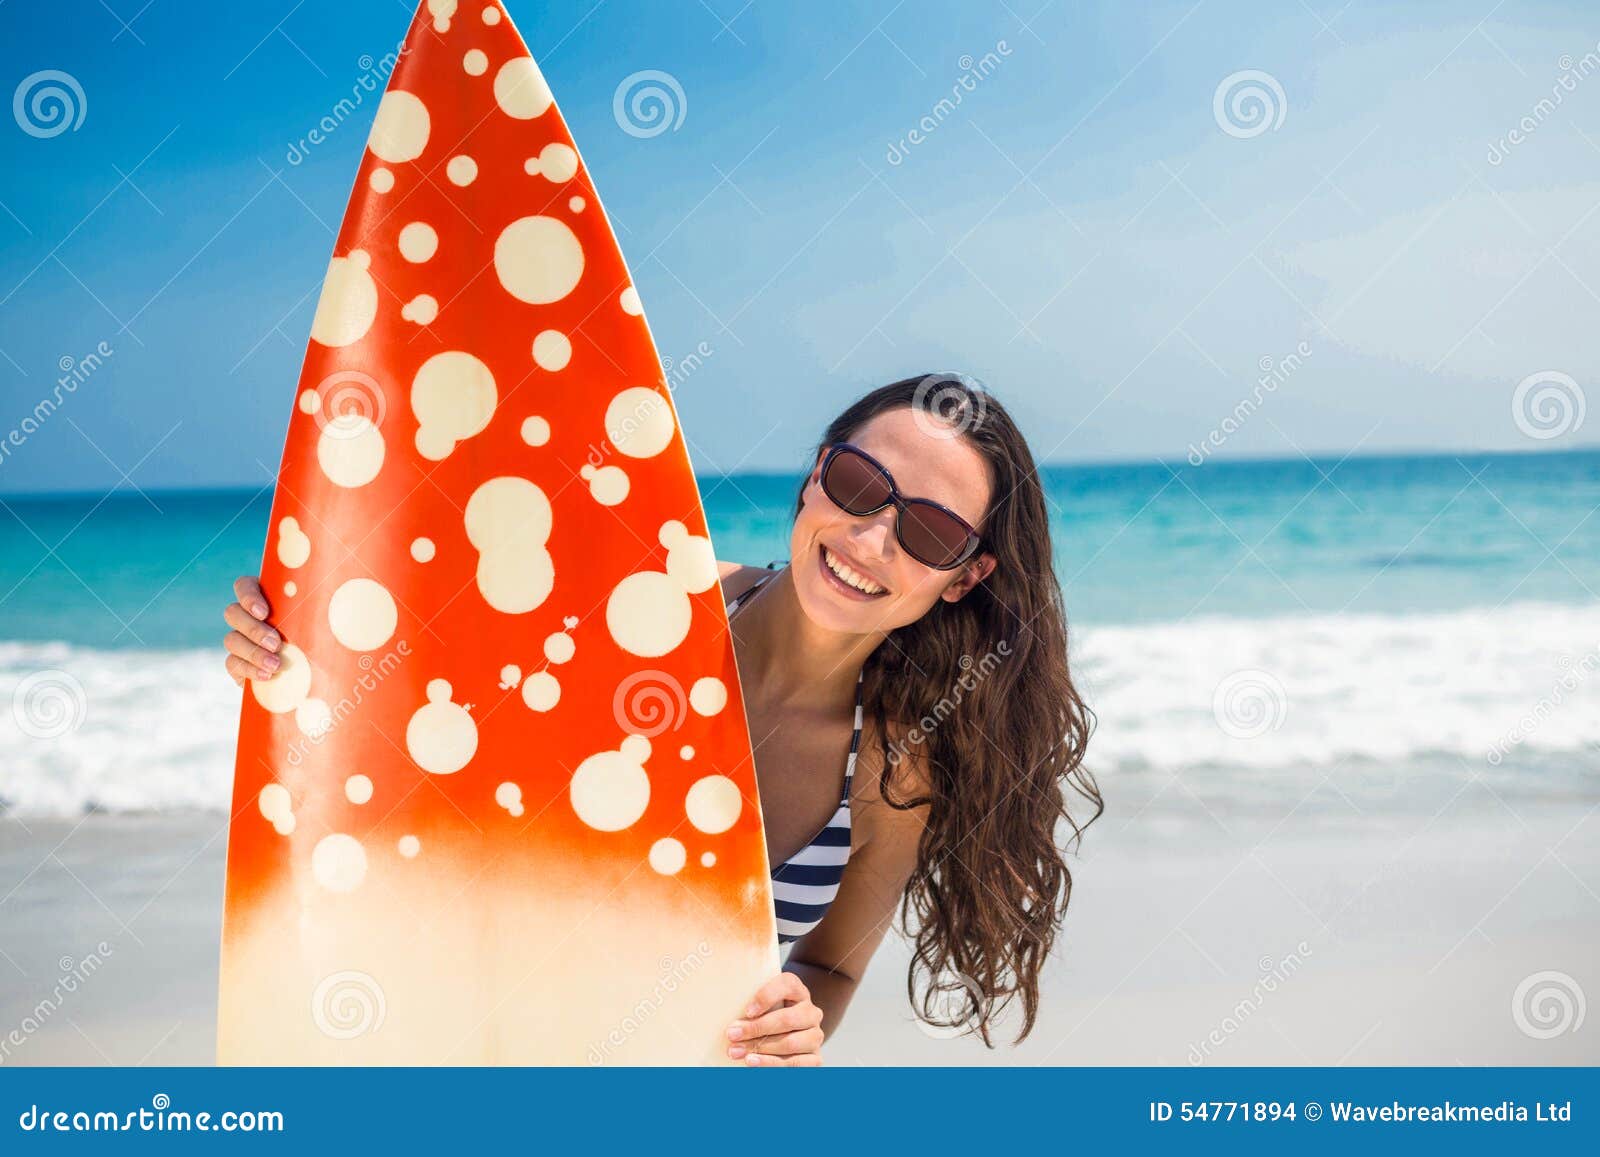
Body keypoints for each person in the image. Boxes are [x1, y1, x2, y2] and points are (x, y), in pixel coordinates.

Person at [222, 373, 1100, 1065]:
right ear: (815, 474)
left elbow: (829, 966)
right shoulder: (645, 607)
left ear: (965, 576)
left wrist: (797, 1025)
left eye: (932, 534)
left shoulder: (898, 765)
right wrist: (292, 654)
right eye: (860, 482)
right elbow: (427, 697)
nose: (871, 540)